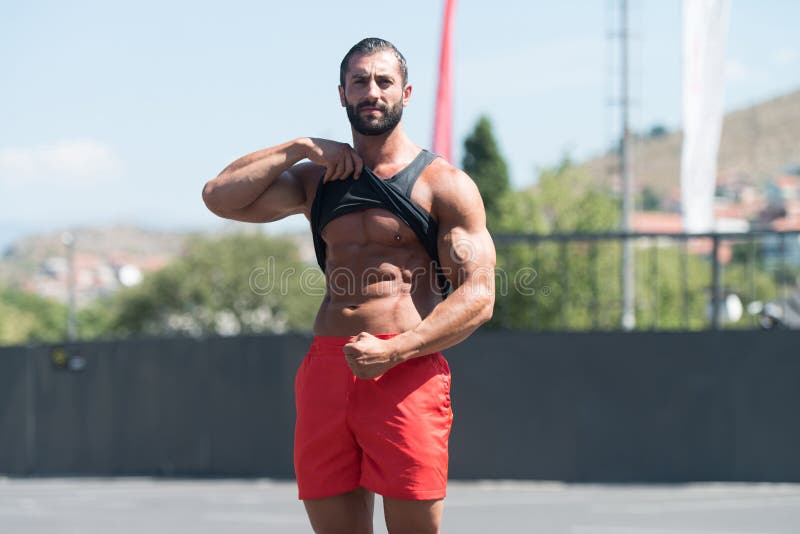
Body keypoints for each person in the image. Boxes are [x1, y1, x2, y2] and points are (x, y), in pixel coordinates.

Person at [202, 37, 495, 534]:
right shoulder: (317, 179)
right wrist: (296, 148)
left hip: (406, 371)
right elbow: (219, 198)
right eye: (359, 81)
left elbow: (479, 296)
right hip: (327, 368)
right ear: (342, 94)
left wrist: (399, 349)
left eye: (383, 81)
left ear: (406, 92)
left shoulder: (444, 184)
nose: (372, 91)